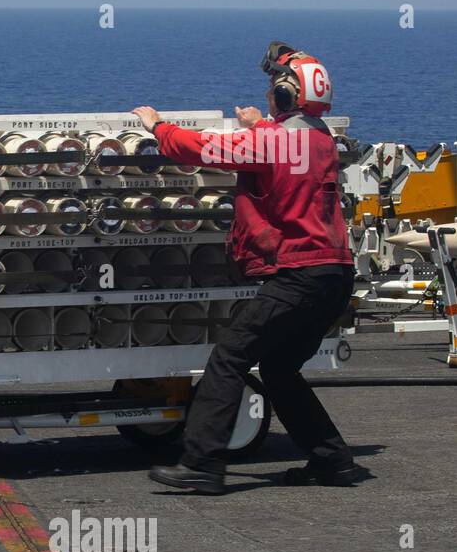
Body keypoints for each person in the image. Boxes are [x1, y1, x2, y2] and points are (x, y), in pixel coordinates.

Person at [132, 41, 368, 495]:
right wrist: (261, 126)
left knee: (230, 356)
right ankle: (333, 462)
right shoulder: (321, 140)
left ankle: (202, 462)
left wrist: (157, 126)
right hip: (334, 275)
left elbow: (202, 148)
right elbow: (284, 147)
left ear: (283, 97)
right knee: (279, 368)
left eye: (272, 93)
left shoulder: (270, 142)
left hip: (299, 274)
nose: (266, 99)